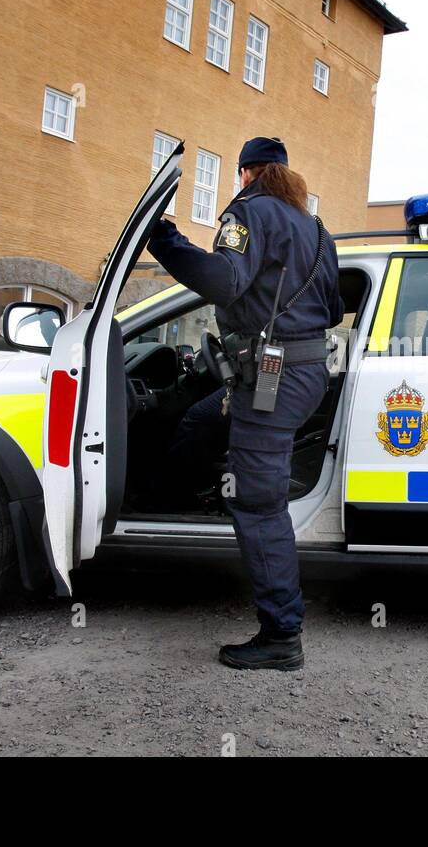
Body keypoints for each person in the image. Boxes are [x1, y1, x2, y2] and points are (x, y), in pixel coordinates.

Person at [147, 137, 342, 671]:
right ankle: (170, 497)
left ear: (246, 173)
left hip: (270, 379)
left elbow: (222, 280)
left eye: (239, 175)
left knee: (258, 504)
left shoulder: (249, 210)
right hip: (303, 373)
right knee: (201, 419)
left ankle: (282, 636)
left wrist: (162, 238)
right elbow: (334, 304)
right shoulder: (316, 227)